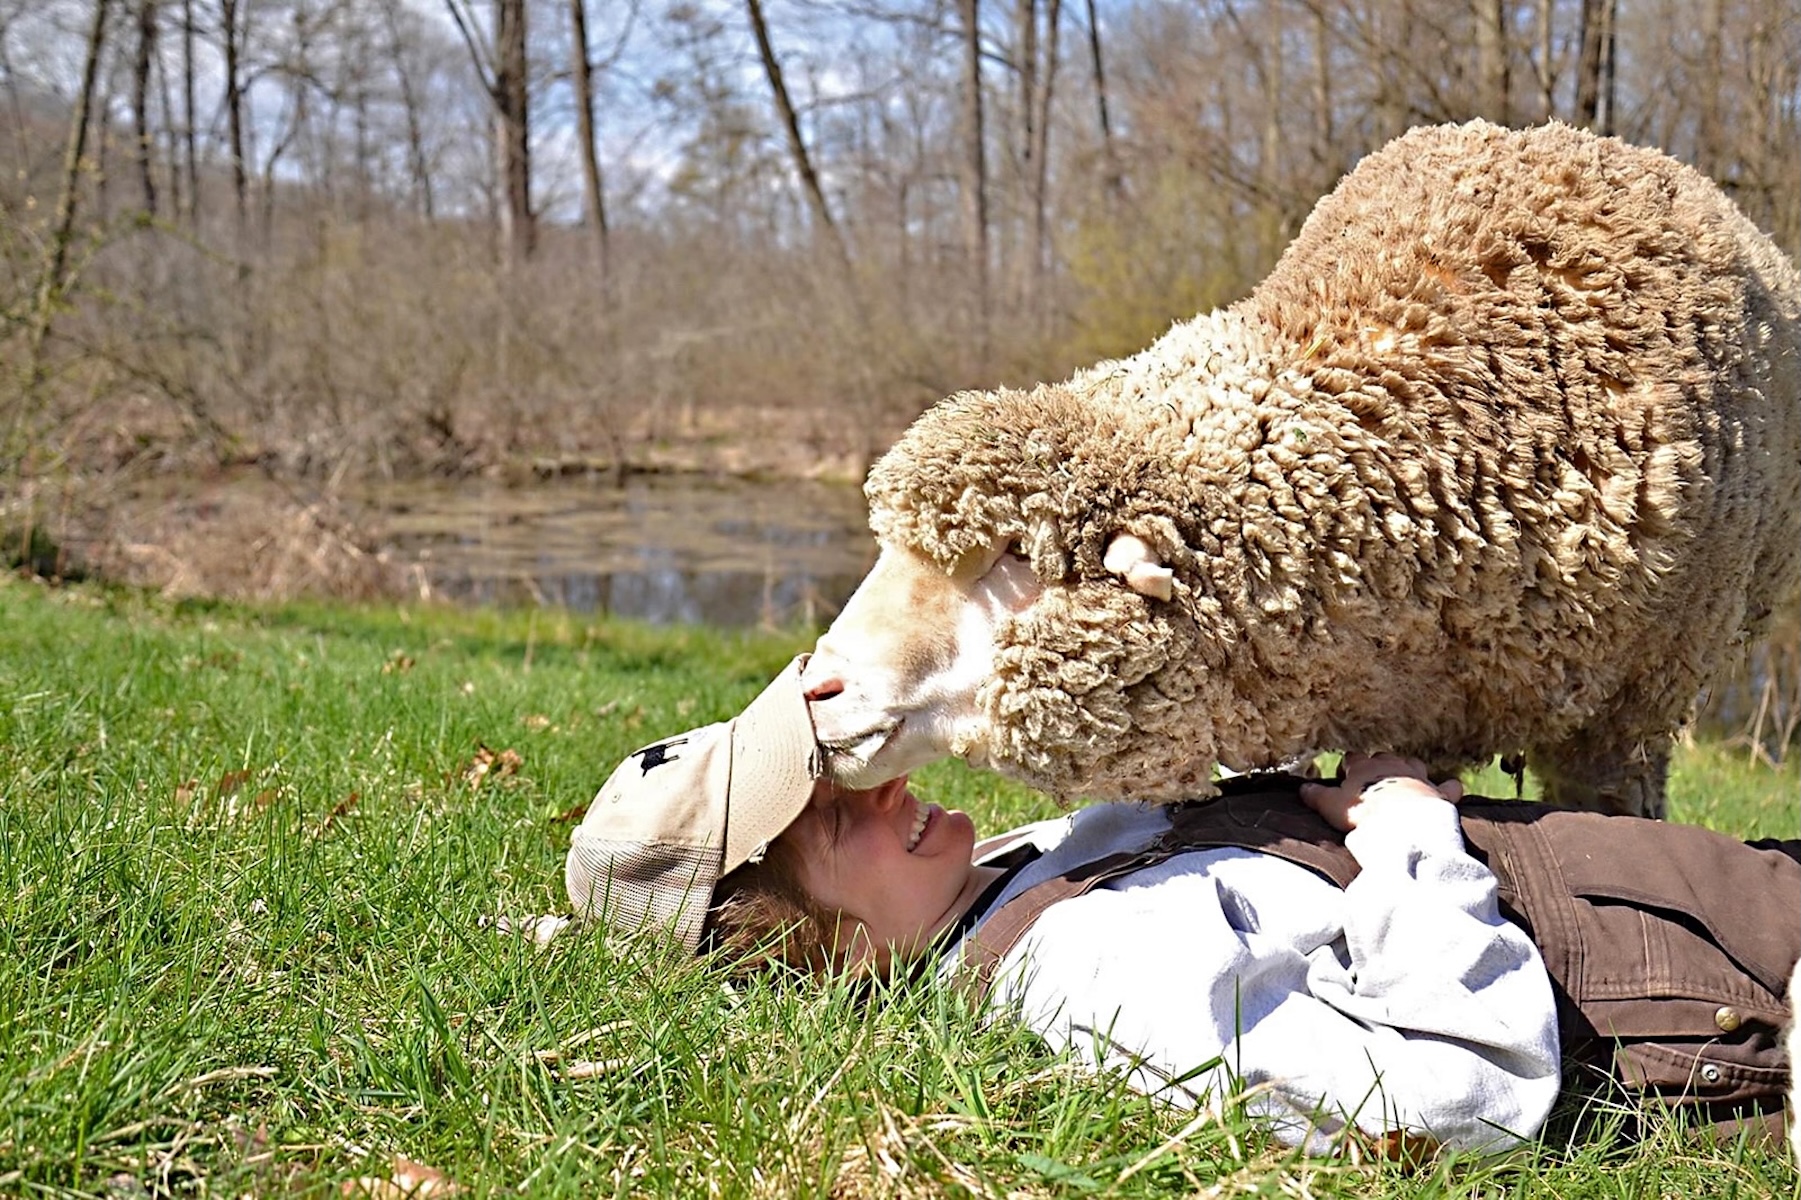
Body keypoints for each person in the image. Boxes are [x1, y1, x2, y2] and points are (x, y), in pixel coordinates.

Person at [564, 656, 1801, 1157]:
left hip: (1704, 881)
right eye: (838, 820)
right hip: (1728, 980)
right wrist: (1406, 835)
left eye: (840, 773)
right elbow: (1459, 1093)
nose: (885, 785)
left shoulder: (1017, 867)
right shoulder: (1089, 979)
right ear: (819, 957)